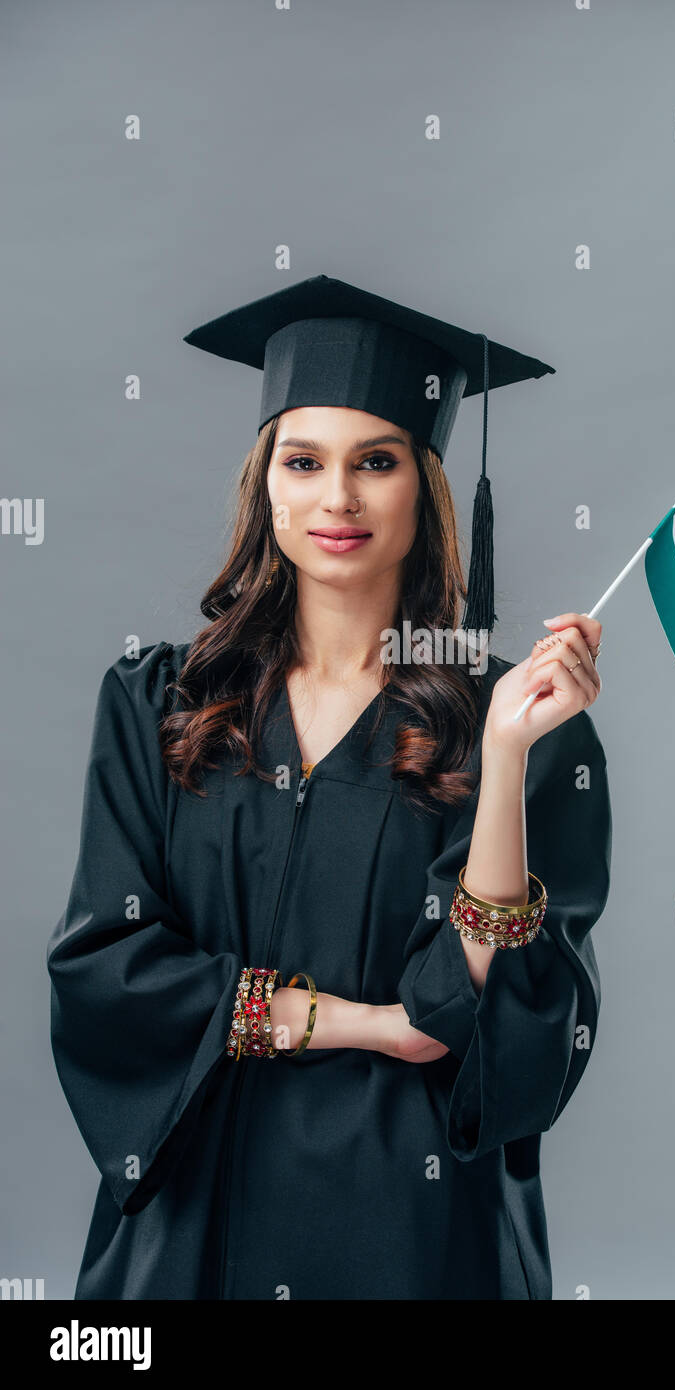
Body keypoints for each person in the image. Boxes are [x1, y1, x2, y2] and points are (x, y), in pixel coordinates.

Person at [47, 273, 612, 1300]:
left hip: (412, 1226)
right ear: (268, 482)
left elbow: (483, 1019)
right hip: (194, 1221)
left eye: (377, 462)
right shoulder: (161, 703)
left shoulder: (511, 720)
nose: (338, 498)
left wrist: (504, 761)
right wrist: (353, 1022)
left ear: (424, 485)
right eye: (304, 461)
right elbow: (105, 969)